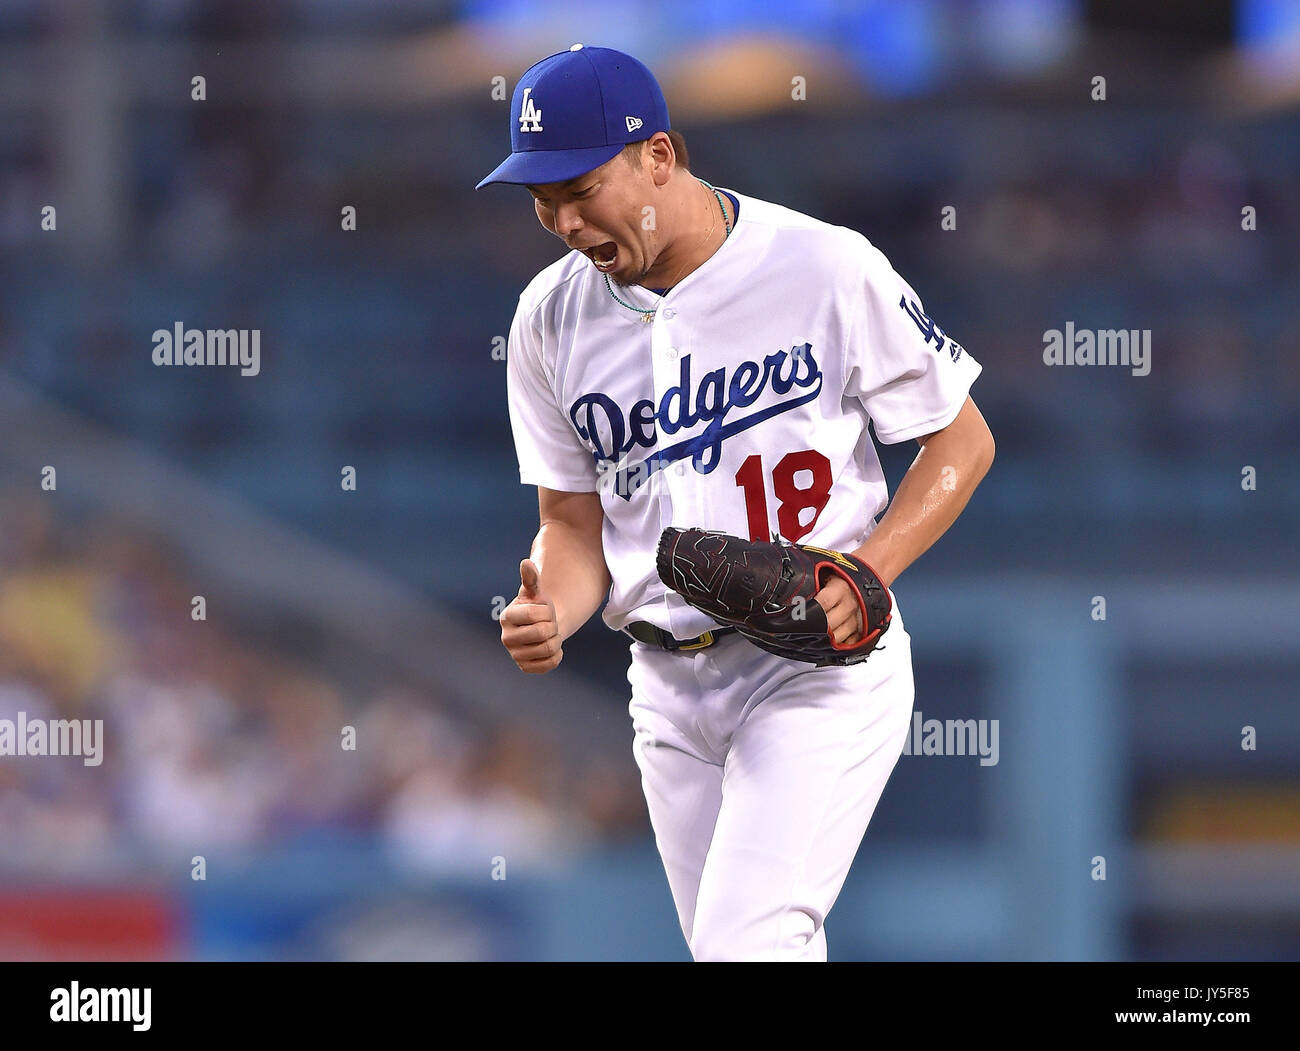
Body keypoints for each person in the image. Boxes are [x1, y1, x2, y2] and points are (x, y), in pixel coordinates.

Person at [478, 44, 995, 961]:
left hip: (813, 665)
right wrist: (551, 607)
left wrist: (870, 571)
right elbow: (571, 526)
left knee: (745, 942)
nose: (561, 219)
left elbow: (960, 440)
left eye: (580, 186)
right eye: (540, 198)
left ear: (659, 157)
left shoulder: (823, 266)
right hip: (667, 693)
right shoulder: (548, 319)